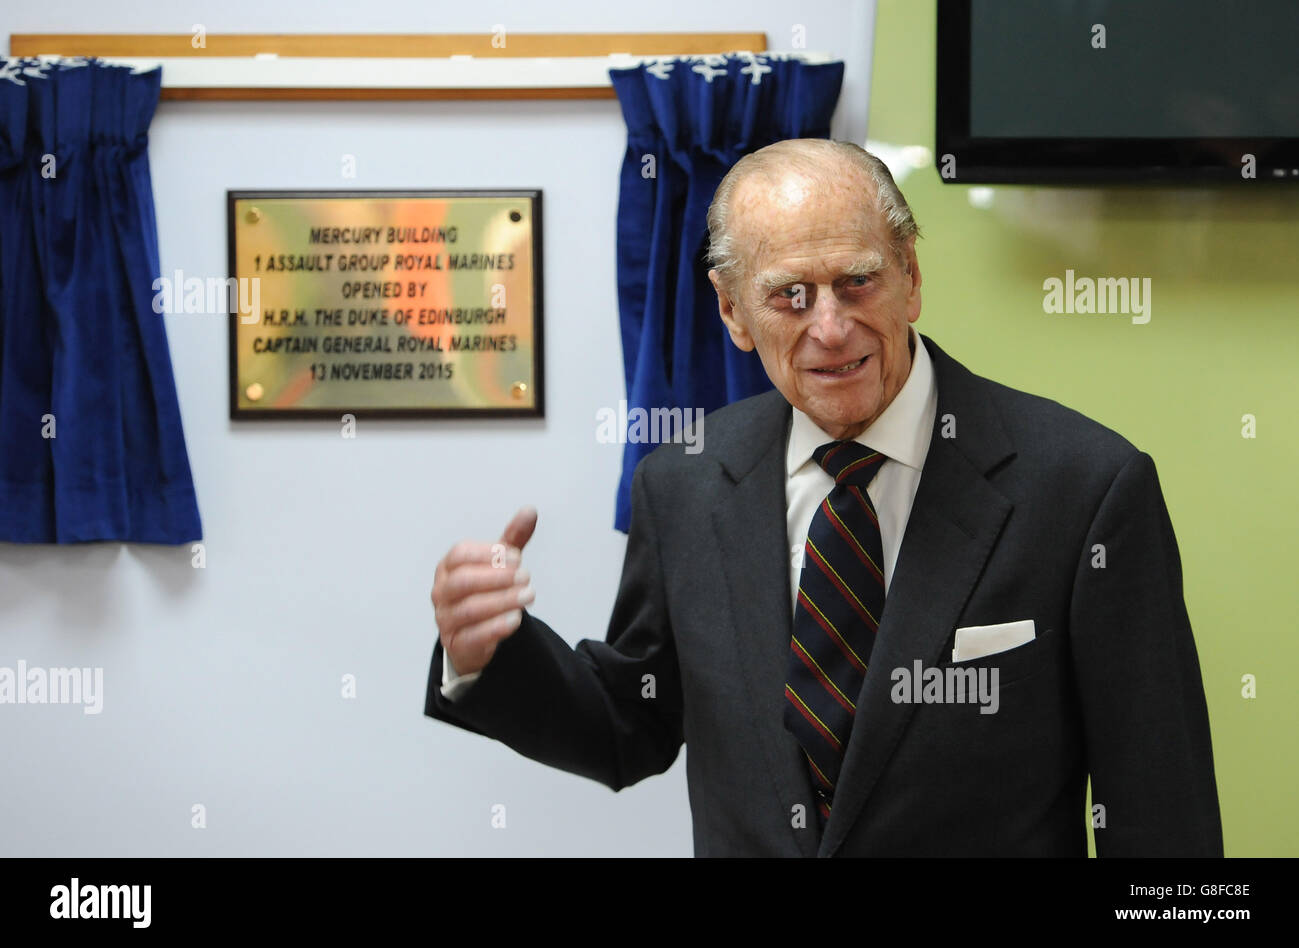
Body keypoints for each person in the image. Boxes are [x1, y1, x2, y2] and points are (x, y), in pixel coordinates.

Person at [424, 139, 1223, 857]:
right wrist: (488, 654)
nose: (831, 327)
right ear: (732, 311)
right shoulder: (685, 483)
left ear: (910, 276)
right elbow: (631, 724)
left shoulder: (1084, 487)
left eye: (856, 281)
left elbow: (1162, 813)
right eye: (790, 296)